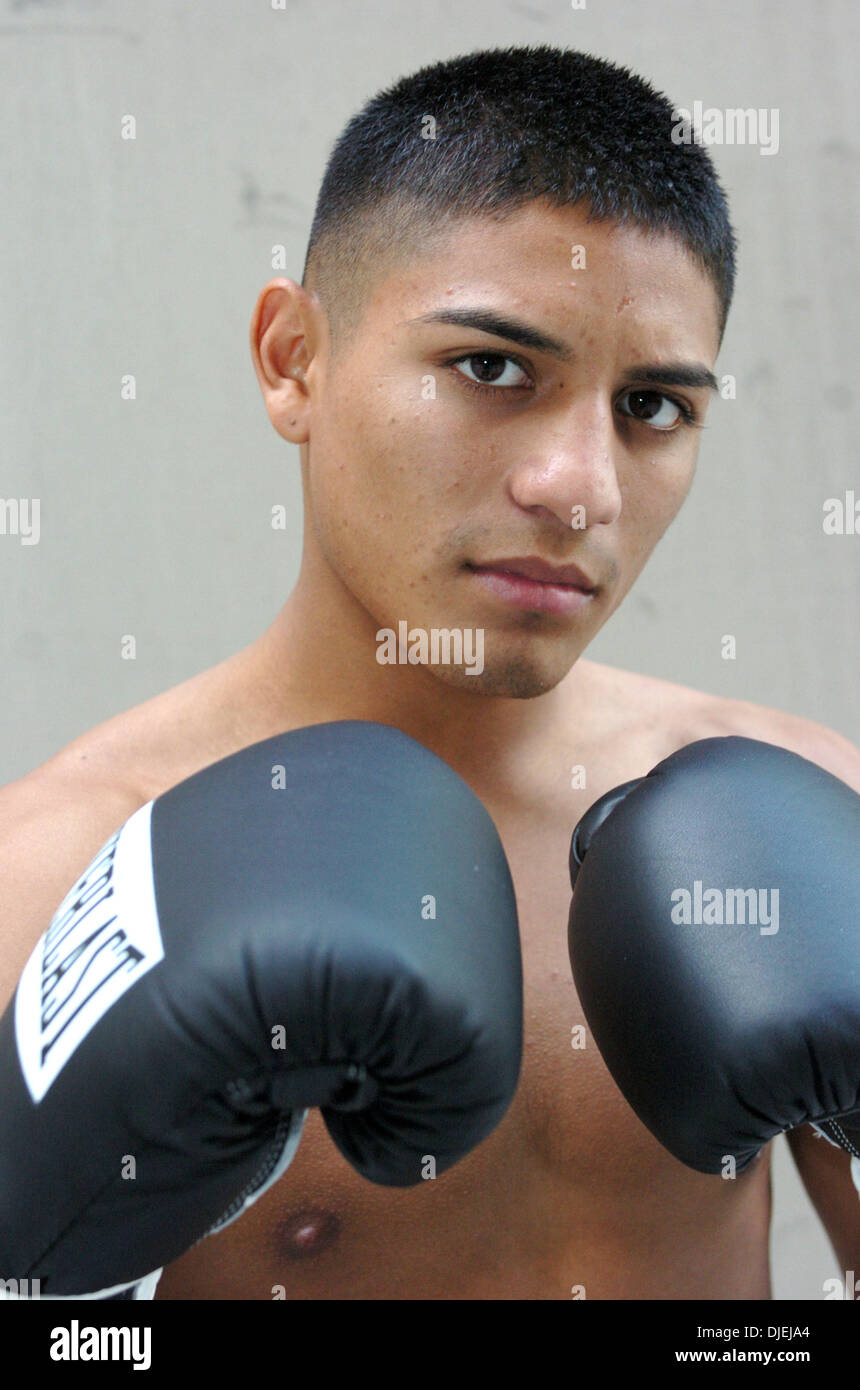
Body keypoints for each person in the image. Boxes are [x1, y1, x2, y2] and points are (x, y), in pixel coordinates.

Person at [1, 44, 857, 1300]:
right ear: (293, 358)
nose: (579, 489)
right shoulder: (62, 881)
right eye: (492, 367)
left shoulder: (805, 823)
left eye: (652, 407)